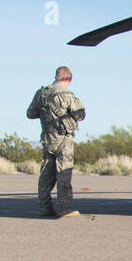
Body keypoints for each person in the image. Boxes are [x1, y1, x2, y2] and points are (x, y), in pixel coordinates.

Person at [27, 66, 86, 218]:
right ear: (68, 79)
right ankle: (64, 209)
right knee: (64, 174)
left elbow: (30, 113)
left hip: (47, 139)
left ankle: (44, 208)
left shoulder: (41, 94)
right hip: (64, 139)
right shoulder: (67, 94)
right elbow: (81, 115)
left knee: (46, 175)